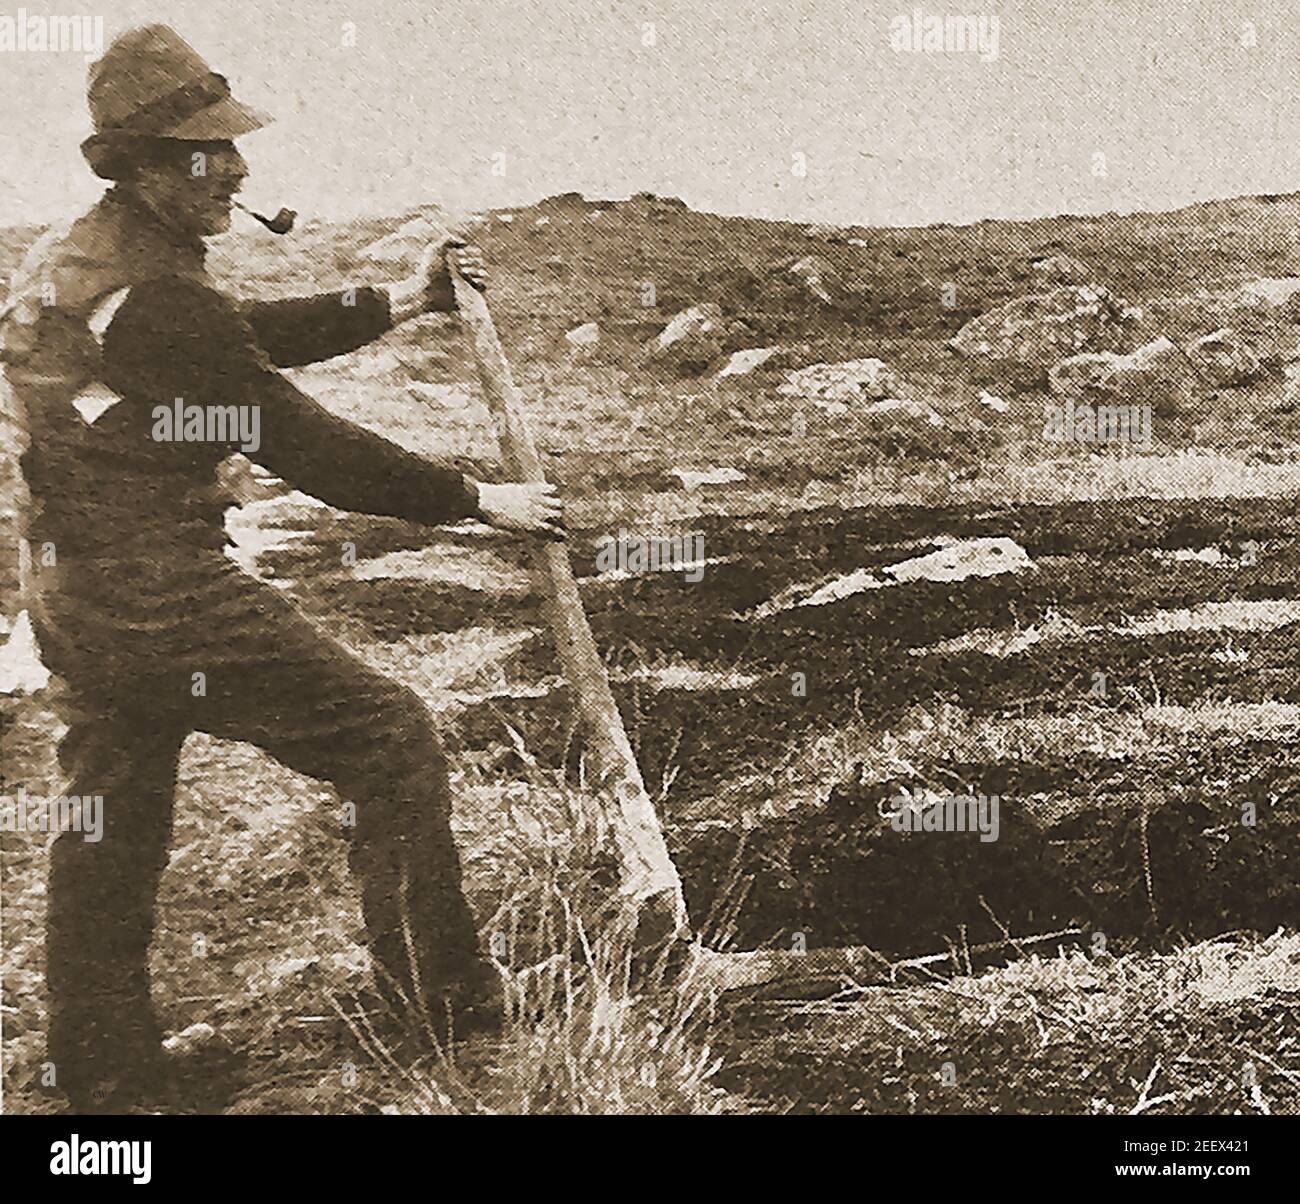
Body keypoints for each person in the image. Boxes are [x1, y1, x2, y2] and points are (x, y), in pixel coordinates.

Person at [0, 24, 562, 1113]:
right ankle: (450, 1025)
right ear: (144, 166)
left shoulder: (90, 256)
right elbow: (294, 436)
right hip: (161, 593)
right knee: (388, 735)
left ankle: (102, 1077)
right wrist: (477, 501)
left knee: (108, 823)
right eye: (210, 152)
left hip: (73, 589)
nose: (240, 169)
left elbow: (239, 338)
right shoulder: (160, 295)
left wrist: (401, 299)